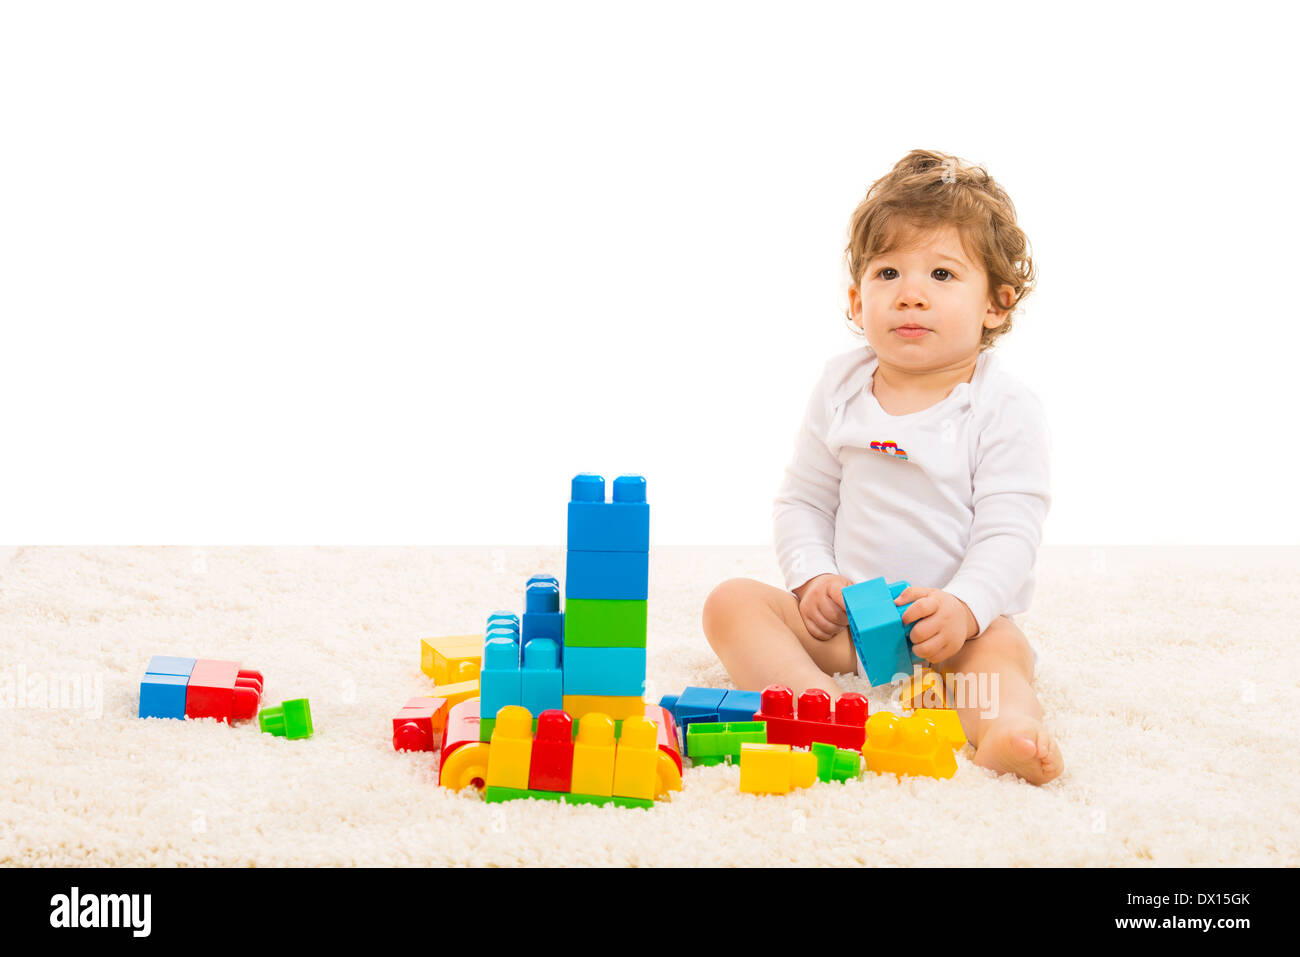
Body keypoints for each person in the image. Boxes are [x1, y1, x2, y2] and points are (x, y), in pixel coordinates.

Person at [702, 149, 1063, 785]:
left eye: (944, 275)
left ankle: (1002, 730)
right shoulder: (840, 386)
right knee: (730, 605)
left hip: (953, 643)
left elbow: (1010, 533)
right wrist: (815, 578)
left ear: (997, 305)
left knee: (1002, 657)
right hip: (849, 632)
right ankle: (827, 703)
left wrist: (964, 607)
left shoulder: (1003, 406)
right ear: (855, 298)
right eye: (888, 272)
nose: (911, 295)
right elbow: (804, 502)